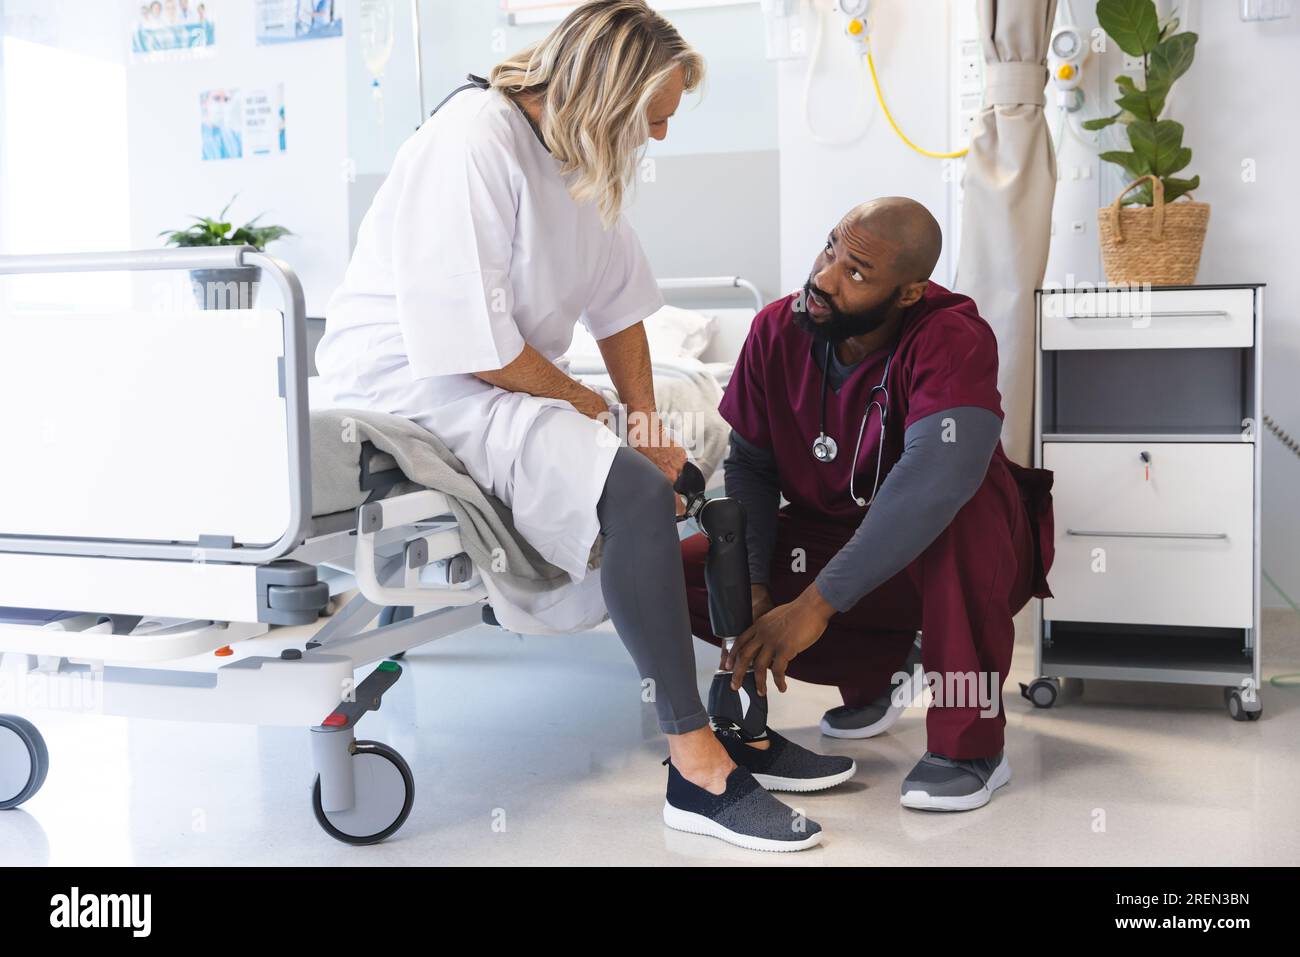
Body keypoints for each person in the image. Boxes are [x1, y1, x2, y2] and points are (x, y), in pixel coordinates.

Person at [316, 0, 845, 852]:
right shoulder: (474, 142)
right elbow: (472, 346)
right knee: (630, 489)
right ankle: (694, 767)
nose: (662, 138)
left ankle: (735, 723)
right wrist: (602, 415)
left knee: (680, 483)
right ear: (610, 93)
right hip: (413, 383)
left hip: (488, 376)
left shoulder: (579, 155)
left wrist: (647, 418)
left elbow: (621, 305)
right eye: (657, 117)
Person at [681, 197, 1056, 812]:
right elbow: (750, 464)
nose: (824, 278)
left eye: (856, 273)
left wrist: (813, 606)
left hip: (952, 553)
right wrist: (748, 582)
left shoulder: (952, 336)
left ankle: (971, 745)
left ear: (908, 293)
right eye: (830, 249)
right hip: (831, 544)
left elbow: (938, 477)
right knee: (690, 571)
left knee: (966, 498)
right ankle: (883, 665)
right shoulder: (776, 329)